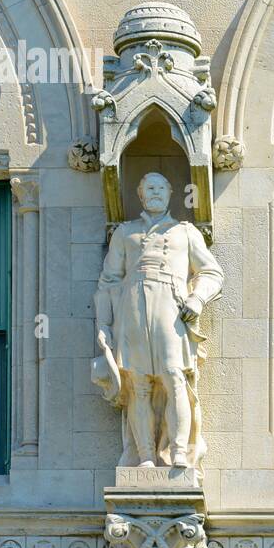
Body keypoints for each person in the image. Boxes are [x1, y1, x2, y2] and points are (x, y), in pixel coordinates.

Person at [93, 172, 224, 469]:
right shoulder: (125, 233)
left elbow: (212, 273)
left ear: (170, 193)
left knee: (174, 377)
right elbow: (109, 281)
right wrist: (104, 325)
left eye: (160, 188)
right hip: (133, 309)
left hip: (172, 307)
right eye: (148, 187)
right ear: (140, 194)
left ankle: (179, 451)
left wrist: (197, 298)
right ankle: (146, 456)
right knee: (138, 384)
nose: (154, 193)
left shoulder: (186, 231)